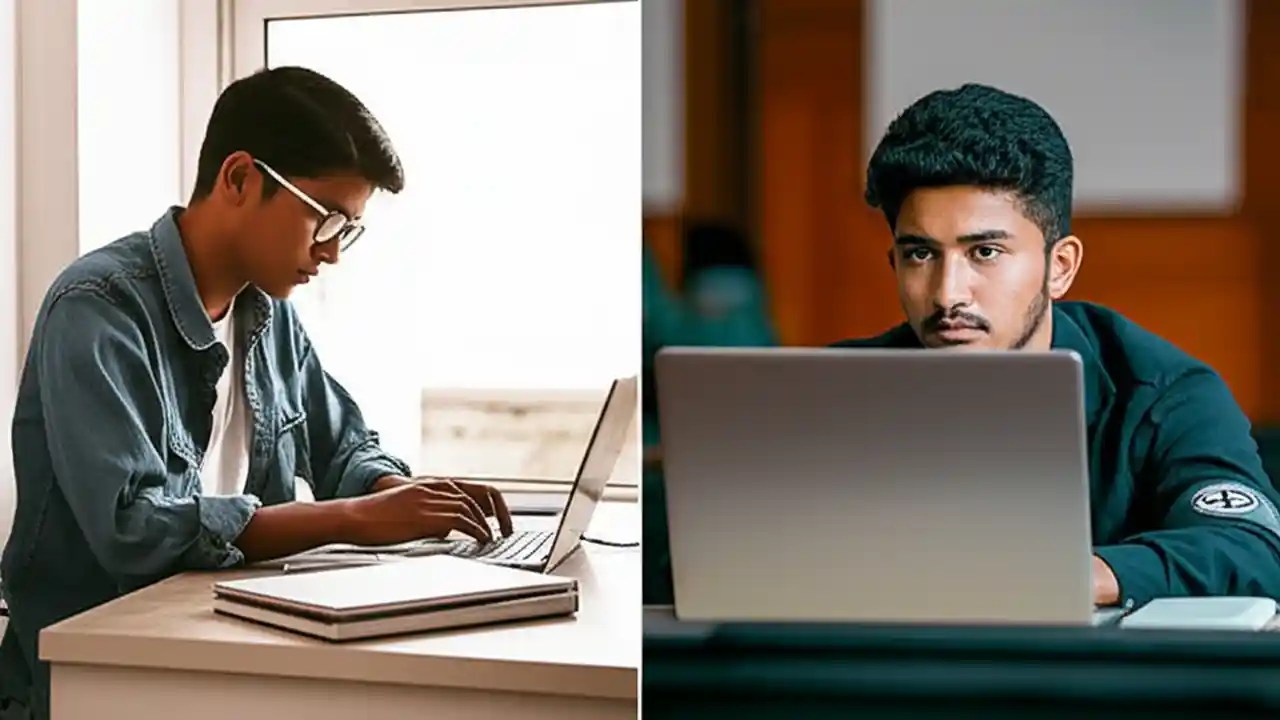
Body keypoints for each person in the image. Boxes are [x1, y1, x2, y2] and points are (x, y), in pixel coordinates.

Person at [0, 67, 512, 718]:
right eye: (326, 220)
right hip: (95, 678)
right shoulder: (97, 308)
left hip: (222, 648)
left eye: (347, 231)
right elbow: (134, 528)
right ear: (240, 178)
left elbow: (345, 447)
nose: (331, 254)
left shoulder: (268, 313)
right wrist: (357, 522)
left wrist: (406, 500)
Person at [834, 83, 1280, 609]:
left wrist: (1063, 576)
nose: (947, 293)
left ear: (1059, 266)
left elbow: (1256, 549)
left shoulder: (1162, 395)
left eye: (985, 251)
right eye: (920, 255)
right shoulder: (837, 389)